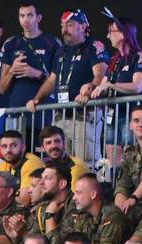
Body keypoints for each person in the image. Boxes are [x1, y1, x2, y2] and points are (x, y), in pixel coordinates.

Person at [52, 9, 108, 166]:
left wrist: (90, 90)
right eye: (62, 25)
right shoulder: (61, 51)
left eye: (69, 24)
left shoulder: (94, 46)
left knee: (85, 164)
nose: (64, 29)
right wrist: (37, 98)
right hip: (61, 115)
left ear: (83, 27)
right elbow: (52, 79)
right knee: (62, 165)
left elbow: (100, 74)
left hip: (84, 114)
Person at [0, 2, 63, 113]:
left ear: (39, 18)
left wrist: (37, 74)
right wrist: (12, 71)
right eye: (22, 16)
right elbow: (2, 89)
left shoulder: (53, 43)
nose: (25, 20)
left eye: (30, 15)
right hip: (16, 108)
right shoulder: (11, 43)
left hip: (43, 108)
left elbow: (60, 83)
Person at [91, 13, 142, 100]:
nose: (108, 36)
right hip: (114, 112)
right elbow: (102, 87)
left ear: (122, 34)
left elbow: (137, 87)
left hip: (132, 112)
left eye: (110, 32)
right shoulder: (113, 60)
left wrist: (111, 85)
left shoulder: (140, 57)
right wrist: (88, 89)